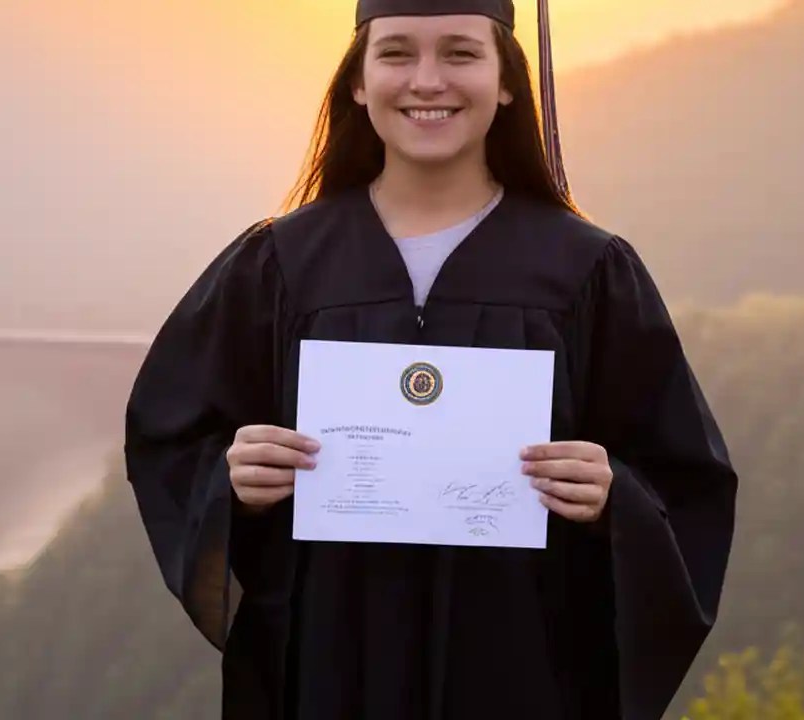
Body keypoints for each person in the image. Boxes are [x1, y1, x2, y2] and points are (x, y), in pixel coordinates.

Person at [124, 1, 738, 718]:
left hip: (520, 675)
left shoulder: (586, 270)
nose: (426, 80)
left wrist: (614, 497)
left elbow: (686, 477)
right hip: (328, 674)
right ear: (356, 81)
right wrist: (233, 481)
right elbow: (172, 436)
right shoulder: (279, 265)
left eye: (459, 53)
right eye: (394, 54)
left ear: (507, 81)